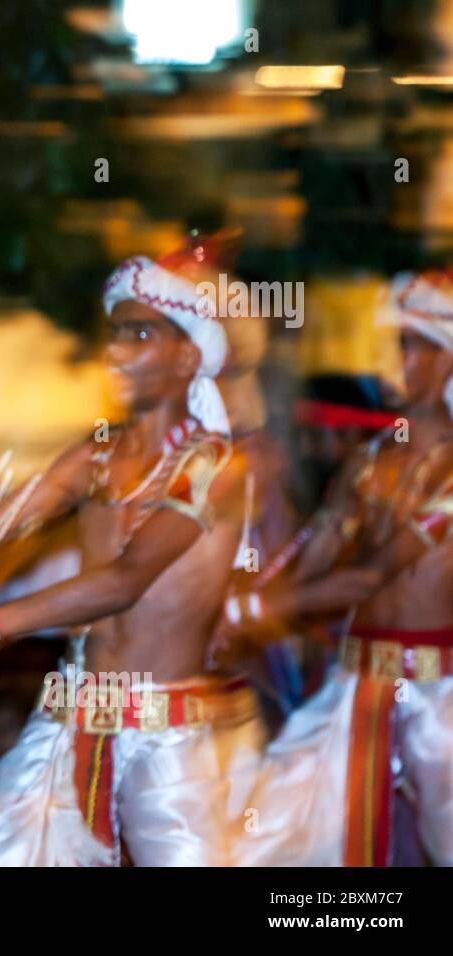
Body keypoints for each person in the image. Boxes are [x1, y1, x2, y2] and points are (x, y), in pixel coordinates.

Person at [0, 240, 263, 866]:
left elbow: (124, 581)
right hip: (69, 720)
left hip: (170, 740)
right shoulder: (97, 455)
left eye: (139, 334)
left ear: (190, 354)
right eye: (114, 333)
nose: (115, 351)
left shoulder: (216, 465)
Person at [222, 270, 453, 866]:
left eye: (417, 345)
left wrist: (258, 609)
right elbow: (320, 546)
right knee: (274, 841)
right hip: (354, 686)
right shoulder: (372, 457)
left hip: (440, 694)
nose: (400, 359)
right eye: (397, 343)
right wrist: (249, 602)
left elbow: (372, 576)